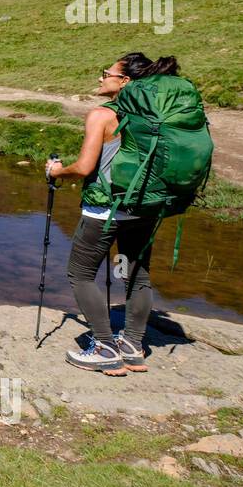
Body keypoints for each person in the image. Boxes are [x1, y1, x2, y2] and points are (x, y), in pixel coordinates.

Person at [45, 52, 184, 375]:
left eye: (106, 72)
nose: (100, 78)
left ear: (124, 81)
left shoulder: (103, 115)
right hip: (145, 208)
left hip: (105, 209)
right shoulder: (157, 116)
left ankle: (105, 347)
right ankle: (133, 345)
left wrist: (55, 171)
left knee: (80, 274)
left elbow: (84, 167)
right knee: (137, 275)